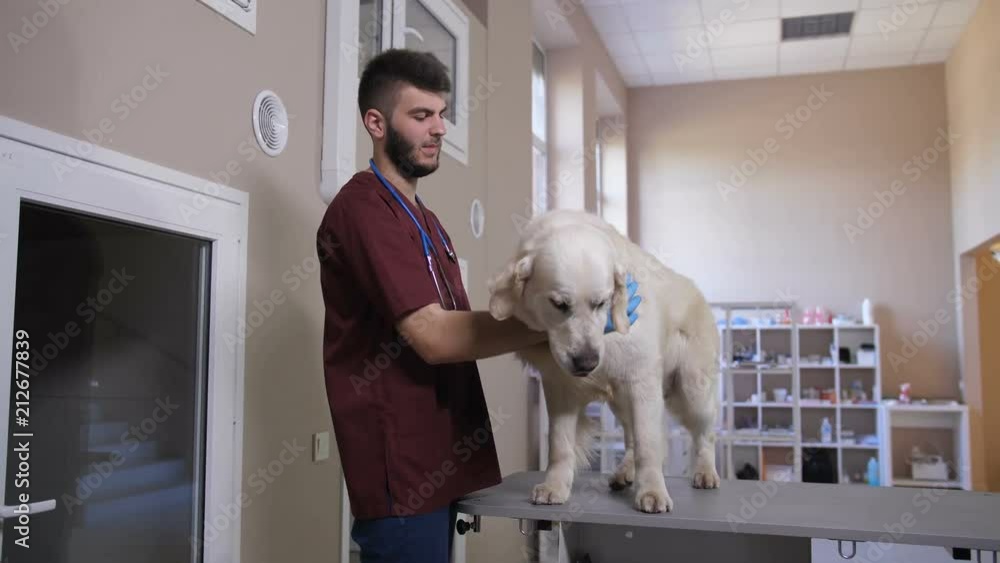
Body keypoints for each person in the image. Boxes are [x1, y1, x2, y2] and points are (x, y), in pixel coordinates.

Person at [316, 49, 639, 563]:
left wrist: (577, 314)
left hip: (440, 457)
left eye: (442, 114)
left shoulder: (427, 221)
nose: (438, 128)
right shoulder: (362, 212)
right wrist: (567, 324)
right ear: (375, 123)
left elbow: (472, 321)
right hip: (401, 465)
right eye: (421, 116)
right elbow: (434, 336)